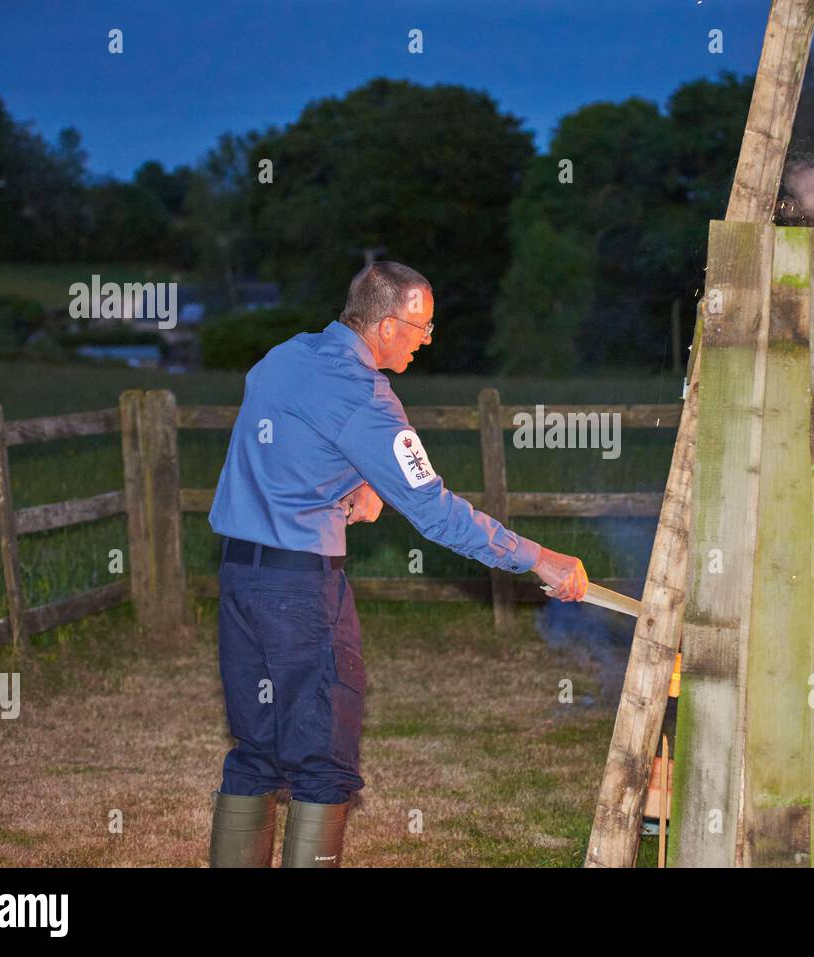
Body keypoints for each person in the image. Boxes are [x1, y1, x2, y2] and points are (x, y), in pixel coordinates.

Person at [205, 261, 588, 867]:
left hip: (241, 580)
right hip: (302, 592)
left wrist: (361, 478)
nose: (426, 340)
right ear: (386, 326)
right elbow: (436, 513)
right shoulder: (365, 397)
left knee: (256, 751)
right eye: (421, 327)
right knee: (322, 763)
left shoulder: (284, 357)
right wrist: (539, 559)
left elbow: (291, 444)